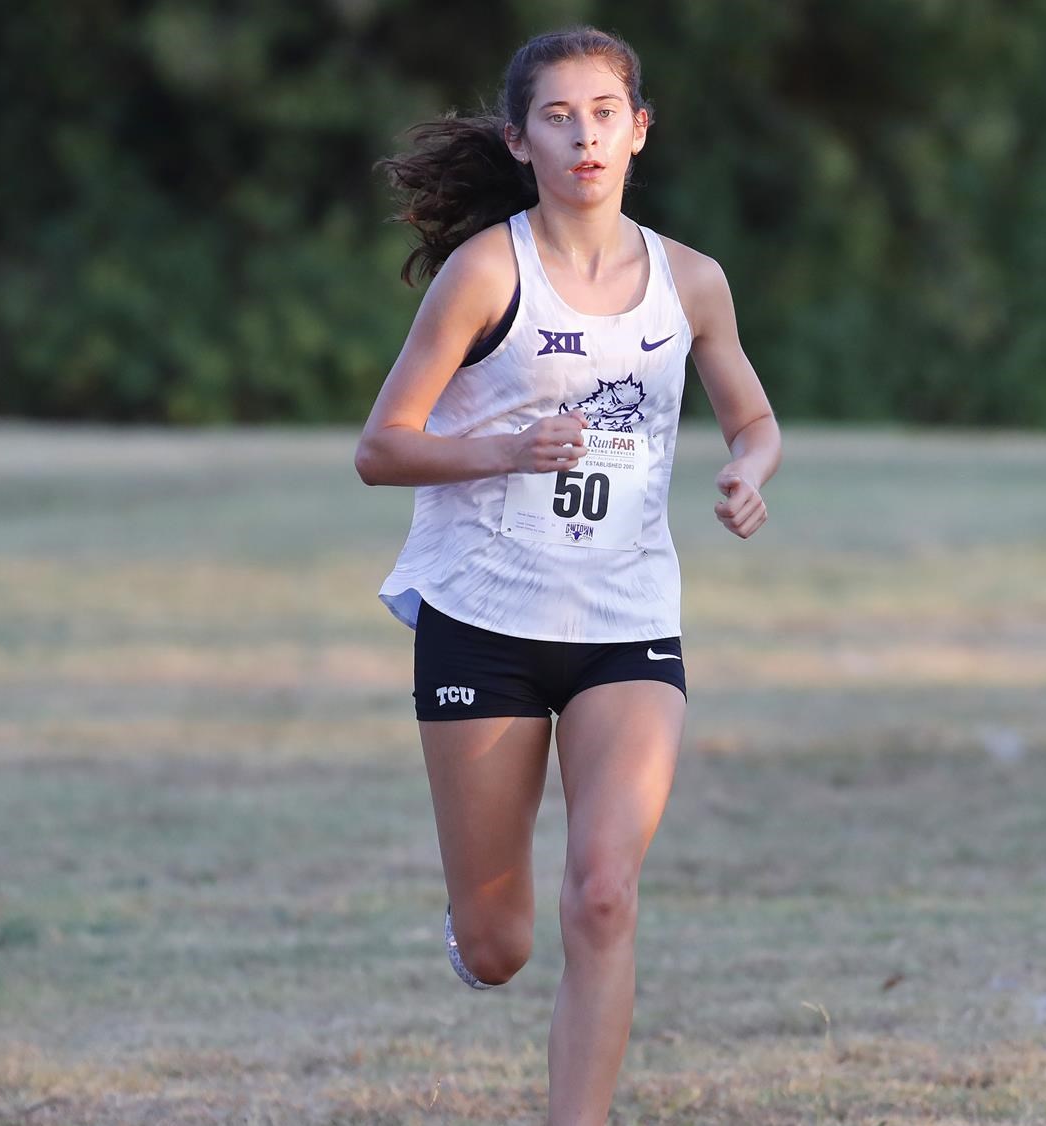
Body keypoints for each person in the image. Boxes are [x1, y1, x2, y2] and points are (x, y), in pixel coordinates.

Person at [355, 25, 781, 1125]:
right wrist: (504, 447)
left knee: (602, 891)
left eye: (603, 112)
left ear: (638, 131)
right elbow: (379, 448)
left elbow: (753, 418)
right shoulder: (486, 271)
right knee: (500, 947)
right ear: (518, 138)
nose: (582, 134)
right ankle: (475, 932)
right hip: (481, 620)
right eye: (557, 114)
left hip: (625, 621)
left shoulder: (690, 282)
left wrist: (748, 470)